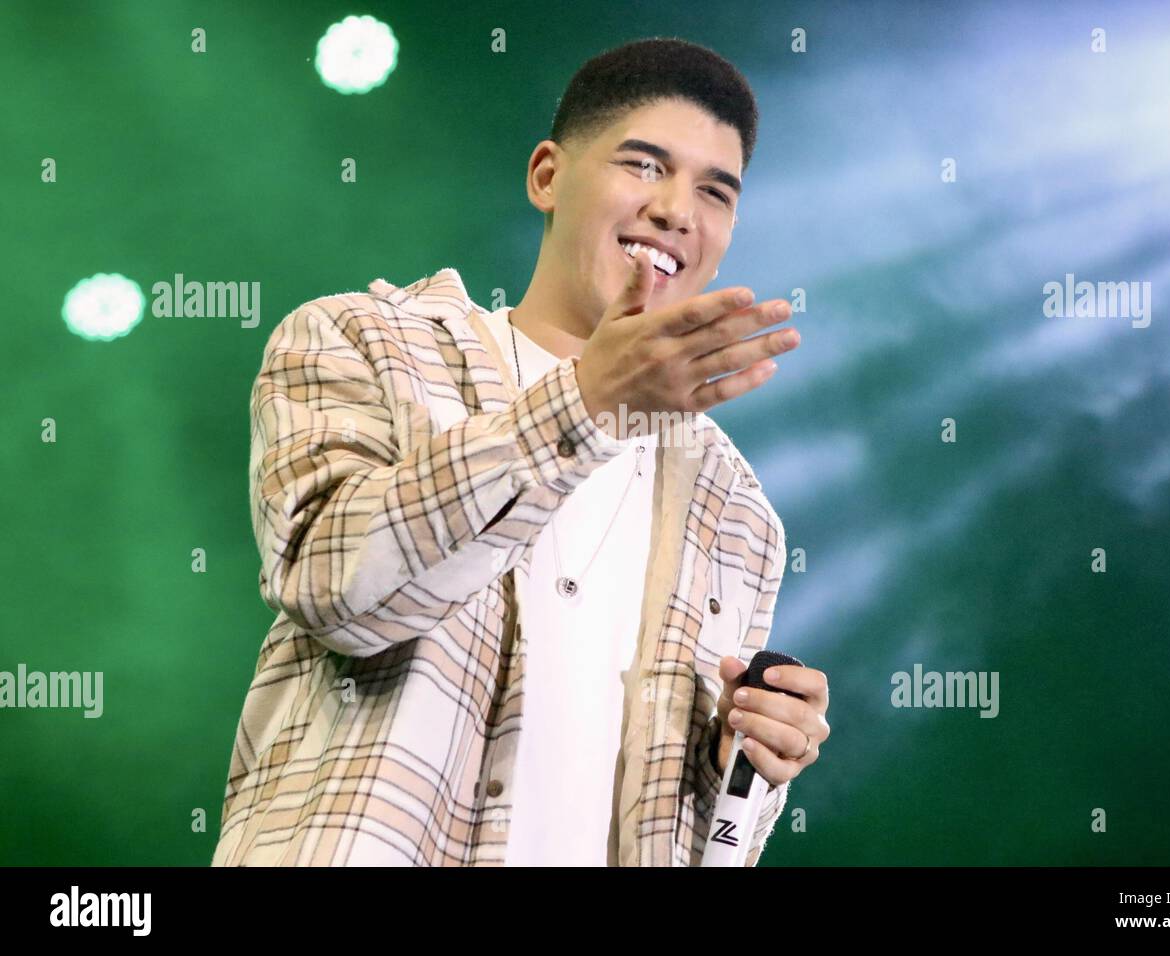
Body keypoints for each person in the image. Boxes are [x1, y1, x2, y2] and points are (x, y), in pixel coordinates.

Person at [213, 36, 830, 867]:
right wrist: (588, 401)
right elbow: (331, 588)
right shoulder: (363, 342)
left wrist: (742, 768)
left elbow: (703, 843)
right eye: (645, 166)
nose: (678, 210)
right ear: (547, 176)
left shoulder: (737, 511)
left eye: (714, 192)